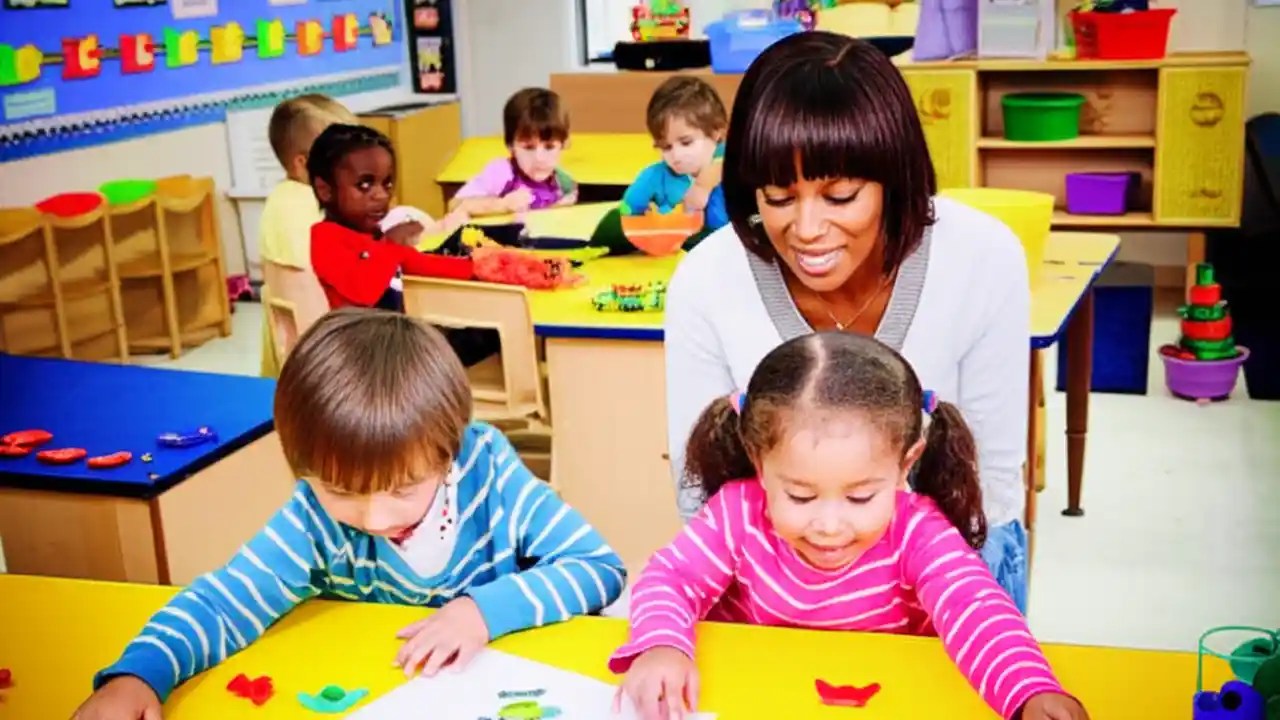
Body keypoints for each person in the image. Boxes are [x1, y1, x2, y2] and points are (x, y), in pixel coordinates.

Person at [72, 309, 626, 720]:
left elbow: (599, 567)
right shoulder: (314, 517)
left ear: (448, 453)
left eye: (404, 489)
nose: (376, 517)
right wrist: (138, 675)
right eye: (340, 489)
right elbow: (225, 602)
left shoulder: (489, 472)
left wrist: (481, 611)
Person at [662, 32, 1032, 610]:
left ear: (895, 179)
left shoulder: (983, 259)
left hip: (947, 582)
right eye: (779, 197)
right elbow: (699, 496)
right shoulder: (707, 279)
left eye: (841, 196)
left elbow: (993, 489)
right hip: (770, 592)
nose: (806, 229)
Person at [612, 332, 1086, 720]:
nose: (829, 525)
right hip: (753, 699)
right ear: (759, 461)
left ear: (906, 463)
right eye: (799, 495)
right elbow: (669, 579)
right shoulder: (738, 514)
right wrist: (660, 646)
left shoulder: (917, 532)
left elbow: (975, 608)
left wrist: (1029, 692)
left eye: (861, 496)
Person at [306, 123, 500, 366]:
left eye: (386, 184)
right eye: (365, 185)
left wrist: (482, 268)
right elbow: (363, 290)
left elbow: (421, 263)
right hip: (360, 362)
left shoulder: (377, 240)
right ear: (325, 190)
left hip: (394, 349)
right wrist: (391, 245)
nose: (381, 195)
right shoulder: (325, 238)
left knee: (489, 333)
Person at [257, 93, 358, 378]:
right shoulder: (304, 213)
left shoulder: (285, 200)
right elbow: (318, 322)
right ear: (303, 164)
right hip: (329, 372)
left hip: (297, 370)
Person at [447, 88, 578, 217]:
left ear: (563, 144)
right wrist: (501, 205)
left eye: (549, 147)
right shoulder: (501, 172)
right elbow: (454, 205)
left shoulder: (563, 182)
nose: (539, 158)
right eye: (528, 148)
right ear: (511, 146)